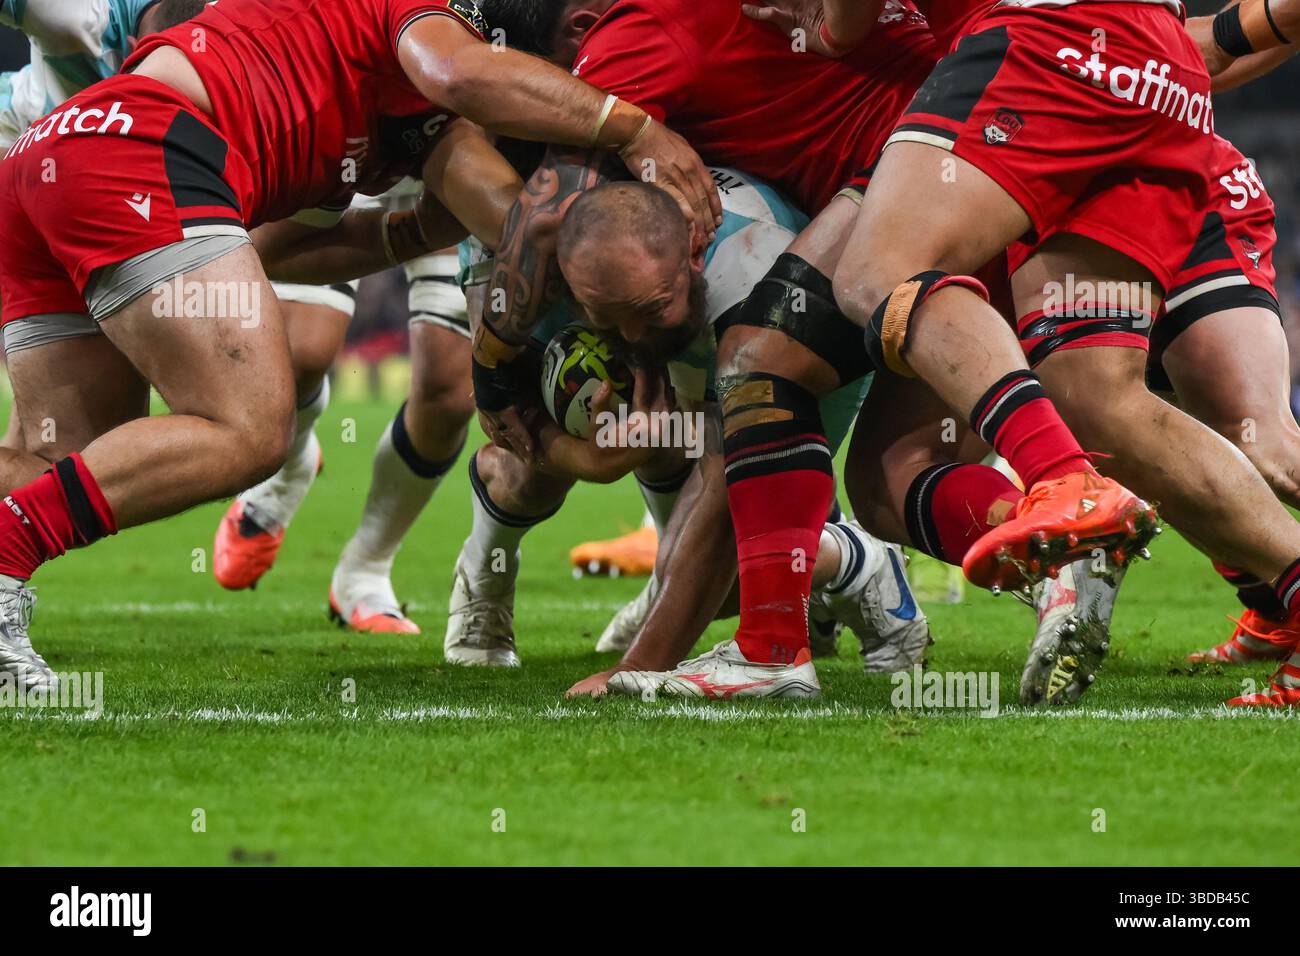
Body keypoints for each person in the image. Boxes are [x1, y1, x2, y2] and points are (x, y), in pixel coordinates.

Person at [0, 0, 719, 690]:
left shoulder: (397, 118)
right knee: (249, 430)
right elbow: (461, 75)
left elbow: (273, 245)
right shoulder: (435, 34)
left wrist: (406, 234)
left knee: (60, 458)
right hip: (141, 146)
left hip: (56, 155)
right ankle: (7, 560)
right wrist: (631, 129)